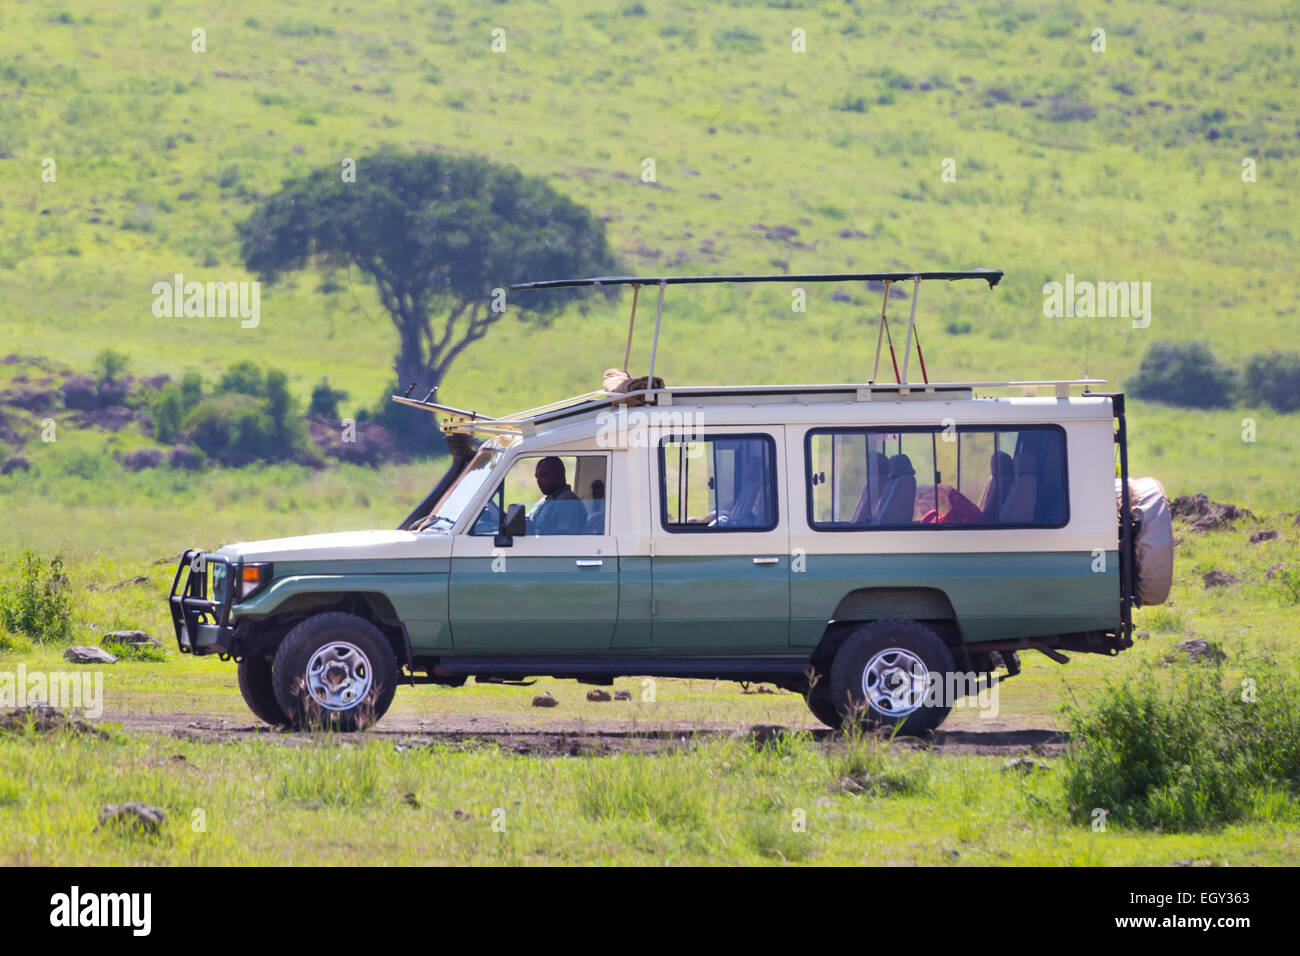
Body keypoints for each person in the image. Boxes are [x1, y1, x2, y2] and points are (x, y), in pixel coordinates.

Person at [528, 457, 587, 535]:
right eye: (537, 477)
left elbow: (563, 537)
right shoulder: (547, 499)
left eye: (543, 476)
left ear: (559, 474)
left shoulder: (568, 502)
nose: (538, 481)